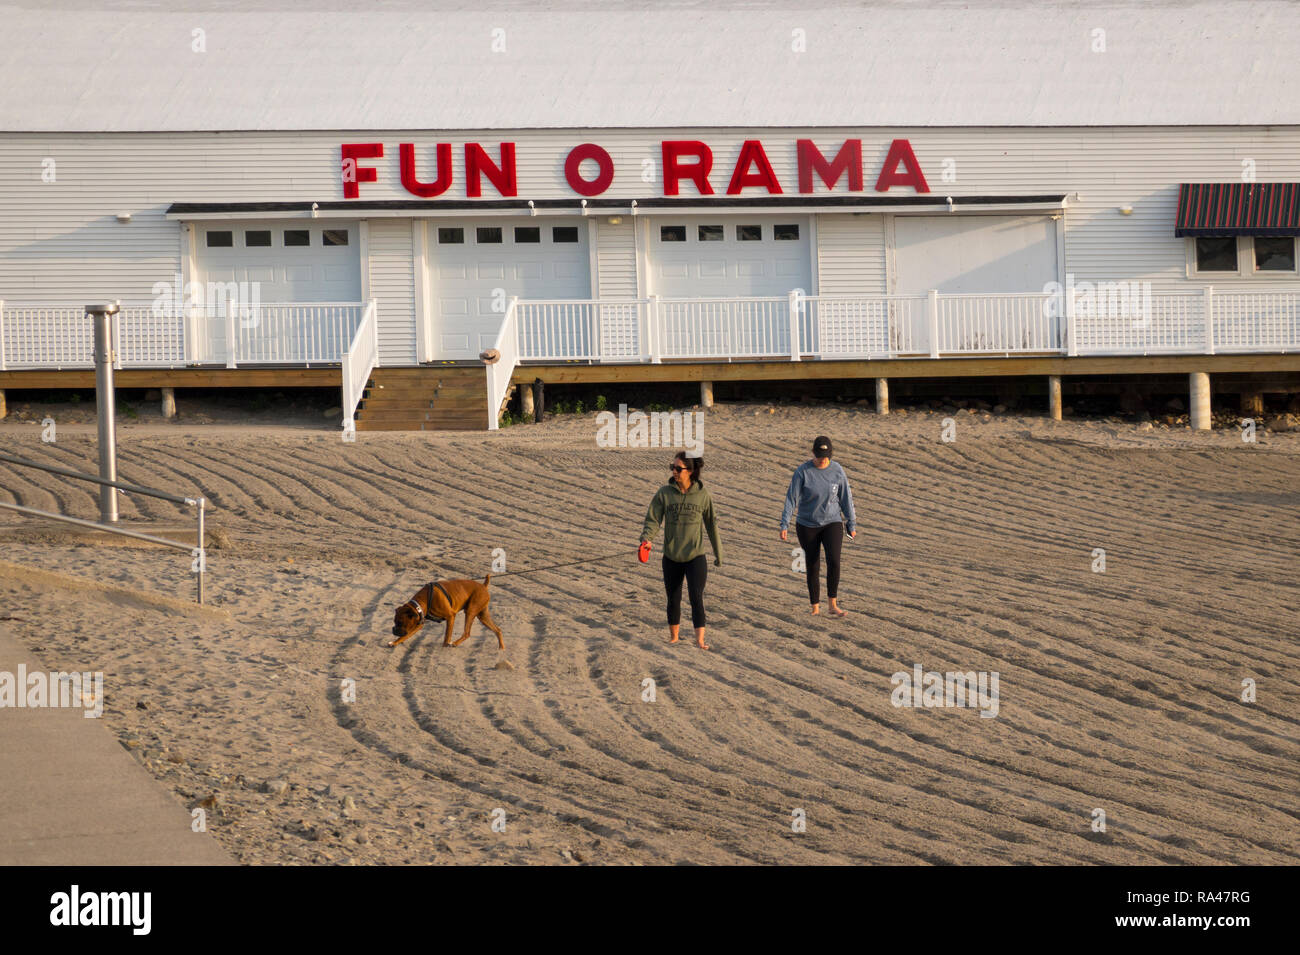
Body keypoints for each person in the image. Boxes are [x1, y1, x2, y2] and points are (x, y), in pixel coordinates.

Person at [640, 451, 722, 650]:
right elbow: (653, 519)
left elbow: (712, 525)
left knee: (696, 596)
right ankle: (674, 637)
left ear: (691, 472)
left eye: (678, 468)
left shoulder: (703, 496)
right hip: (671, 556)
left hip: (695, 556)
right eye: (673, 468)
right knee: (673, 597)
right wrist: (647, 539)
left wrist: (718, 553)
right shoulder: (664, 493)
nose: (674, 472)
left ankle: (700, 640)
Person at [779, 435, 856, 616]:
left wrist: (851, 523)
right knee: (813, 564)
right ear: (813, 453)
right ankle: (815, 607)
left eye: (827, 456)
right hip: (807, 525)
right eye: (820, 456)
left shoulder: (837, 470)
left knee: (834, 561)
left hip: (832, 522)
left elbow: (846, 498)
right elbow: (791, 499)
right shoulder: (803, 472)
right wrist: (784, 524)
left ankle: (832, 605)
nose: (823, 460)